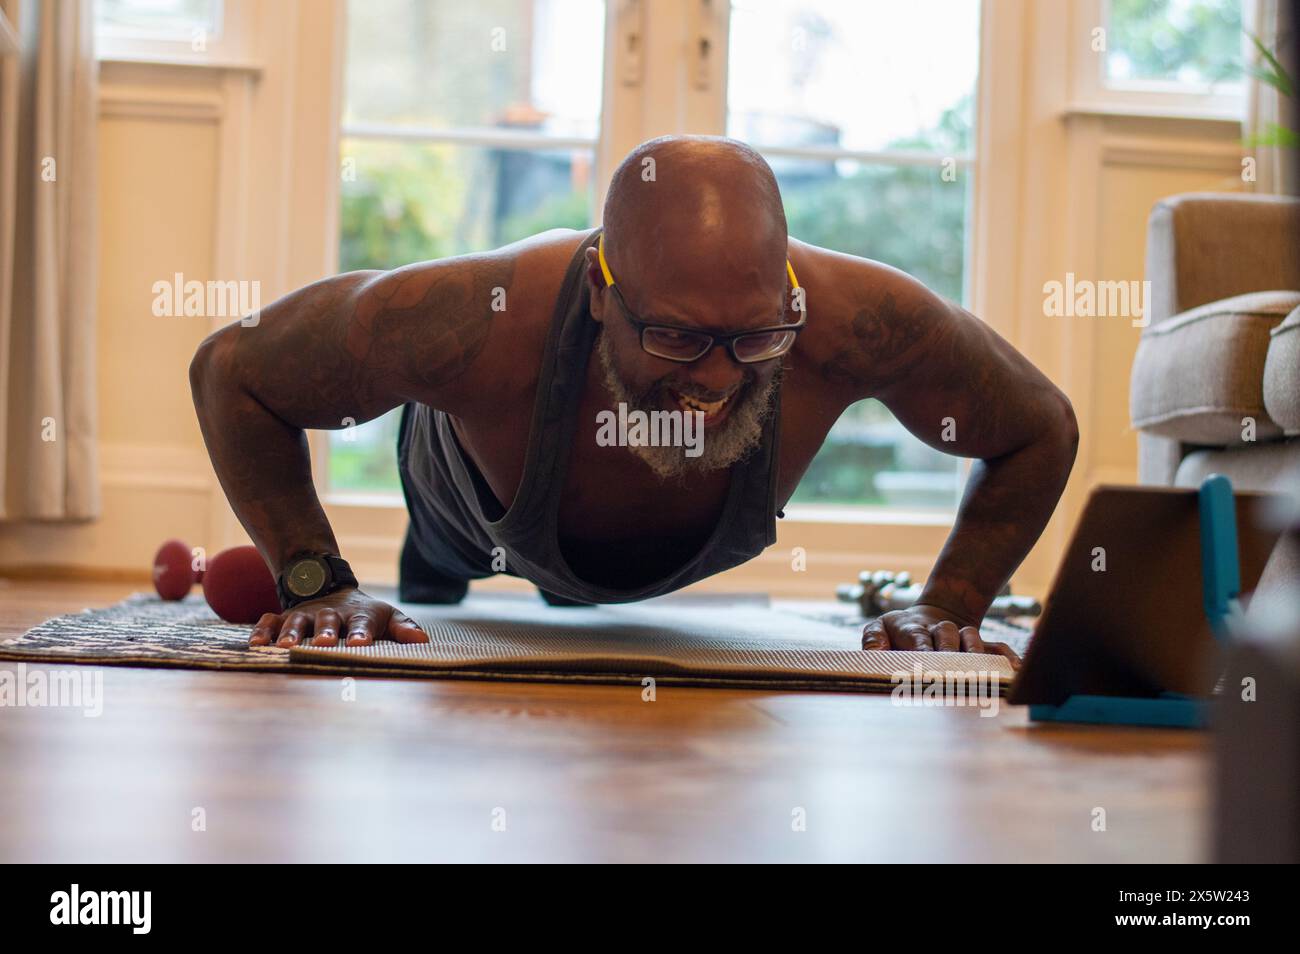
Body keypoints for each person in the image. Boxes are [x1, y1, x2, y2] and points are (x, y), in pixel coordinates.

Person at [189, 135, 1077, 664]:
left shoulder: (853, 322)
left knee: (577, 602)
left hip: (661, 549)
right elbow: (233, 367)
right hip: (474, 515)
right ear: (600, 291)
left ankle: (567, 591)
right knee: (451, 578)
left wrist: (951, 604)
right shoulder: (476, 321)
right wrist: (315, 579)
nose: (719, 378)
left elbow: (1042, 428)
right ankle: (453, 566)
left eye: (756, 340)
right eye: (678, 338)